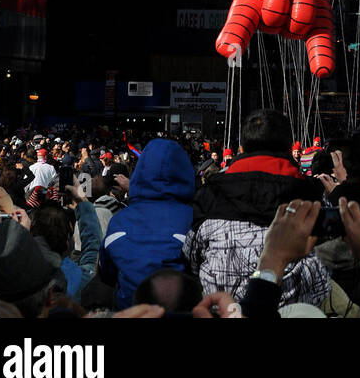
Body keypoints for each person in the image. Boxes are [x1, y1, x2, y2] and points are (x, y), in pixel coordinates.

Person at [183, 109, 329, 308]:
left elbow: (191, 257)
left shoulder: (209, 193)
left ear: (241, 148)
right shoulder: (311, 195)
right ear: (289, 149)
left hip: (223, 310)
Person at [98, 138, 195, 310]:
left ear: (140, 172)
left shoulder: (119, 220)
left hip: (128, 311)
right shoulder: (193, 219)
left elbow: (106, 274)